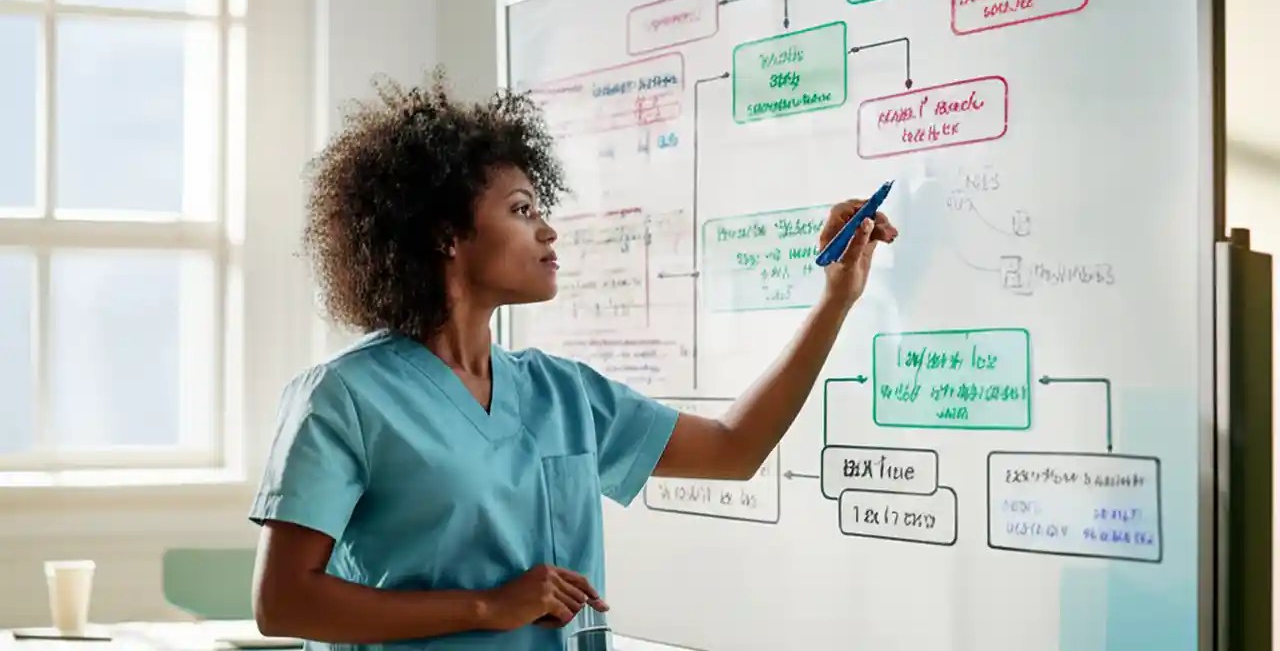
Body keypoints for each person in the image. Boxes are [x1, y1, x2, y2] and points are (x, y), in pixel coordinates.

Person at [247, 71, 898, 650]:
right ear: (446, 235)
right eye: (522, 210)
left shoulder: (561, 393)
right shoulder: (342, 397)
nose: (548, 229)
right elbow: (282, 604)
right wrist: (487, 608)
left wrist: (836, 300)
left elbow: (734, 449)